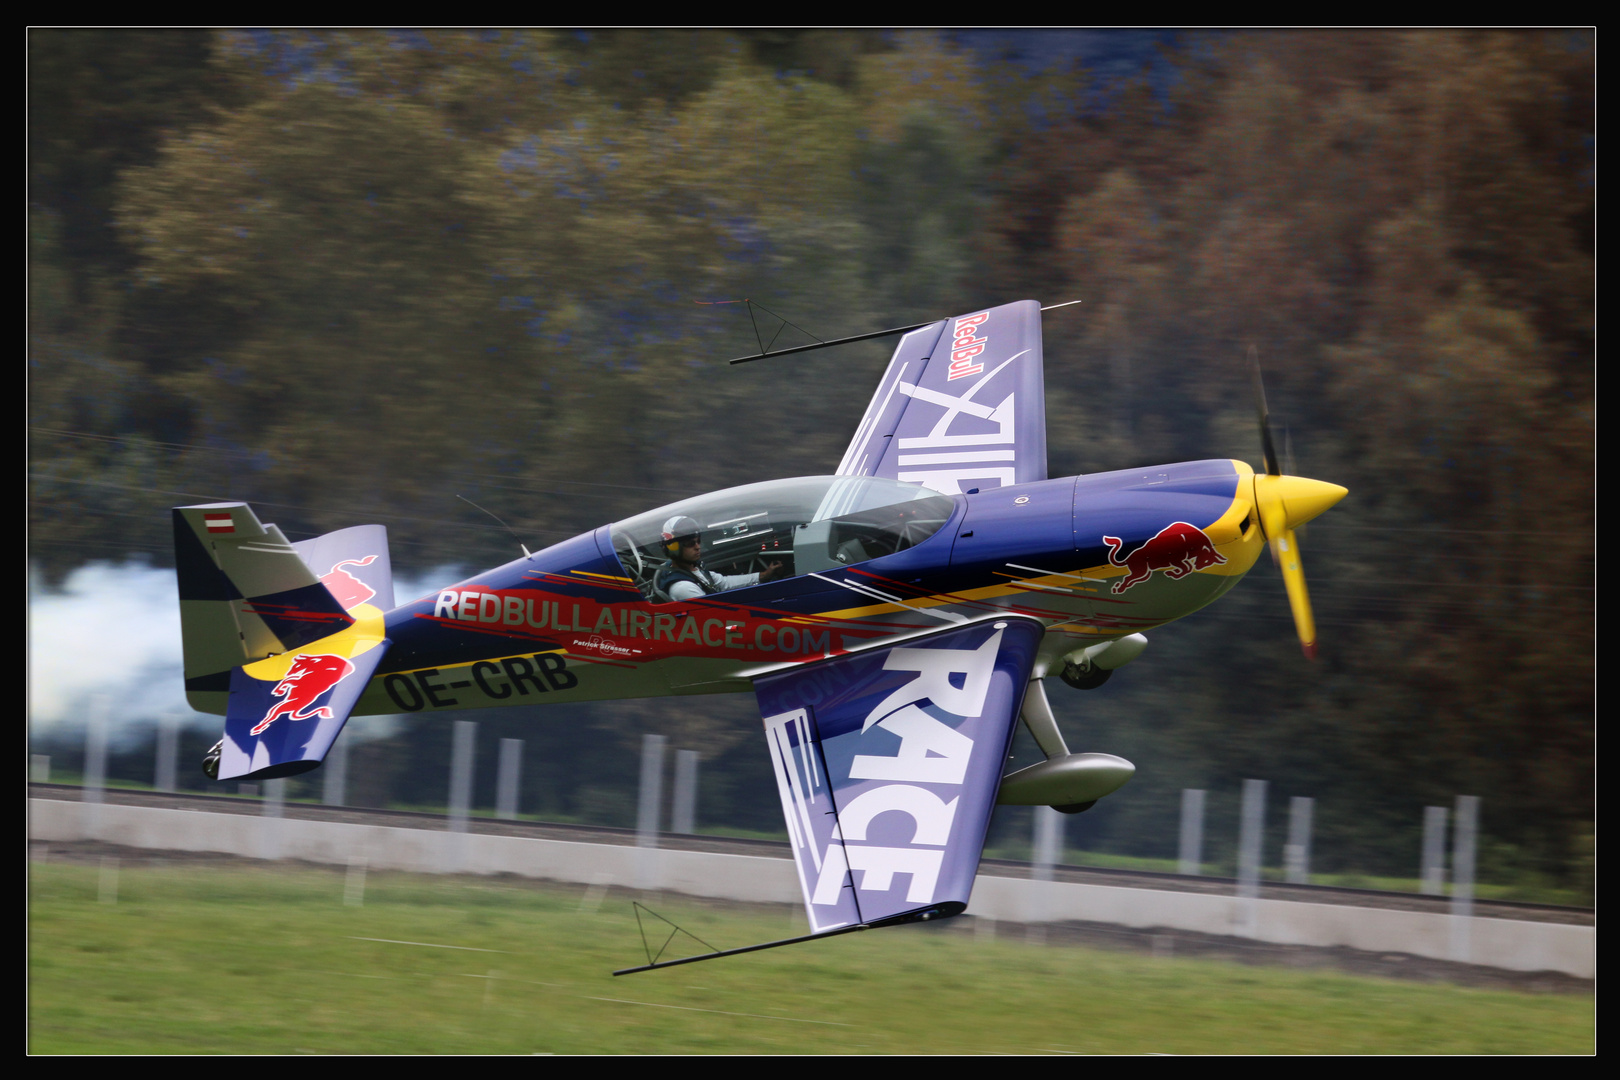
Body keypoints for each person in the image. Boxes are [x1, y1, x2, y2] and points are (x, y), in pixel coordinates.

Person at [652, 516, 785, 602]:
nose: (698, 547)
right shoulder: (683, 587)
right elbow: (714, 614)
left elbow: (723, 583)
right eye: (691, 544)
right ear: (674, 547)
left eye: (698, 541)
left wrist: (764, 575)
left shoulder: (694, 570)